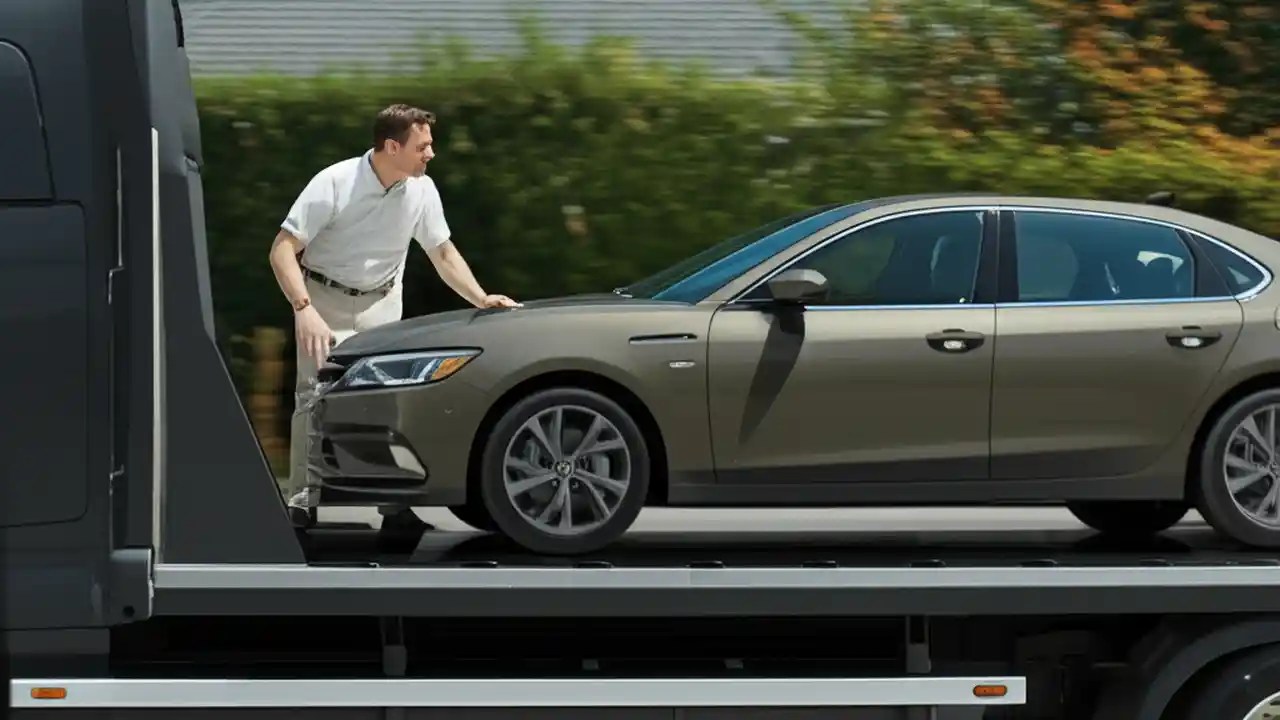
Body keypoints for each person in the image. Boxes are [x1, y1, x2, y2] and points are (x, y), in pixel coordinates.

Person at [268, 103, 519, 531]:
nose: (431, 153)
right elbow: (281, 250)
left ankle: (395, 509)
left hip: (383, 302)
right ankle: (303, 504)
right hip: (323, 300)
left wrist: (481, 297)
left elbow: (442, 253)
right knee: (314, 399)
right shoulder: (335, 182)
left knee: (388, 399)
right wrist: (304, 309)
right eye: (423, 146)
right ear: (392, 147)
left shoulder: (422, 190)